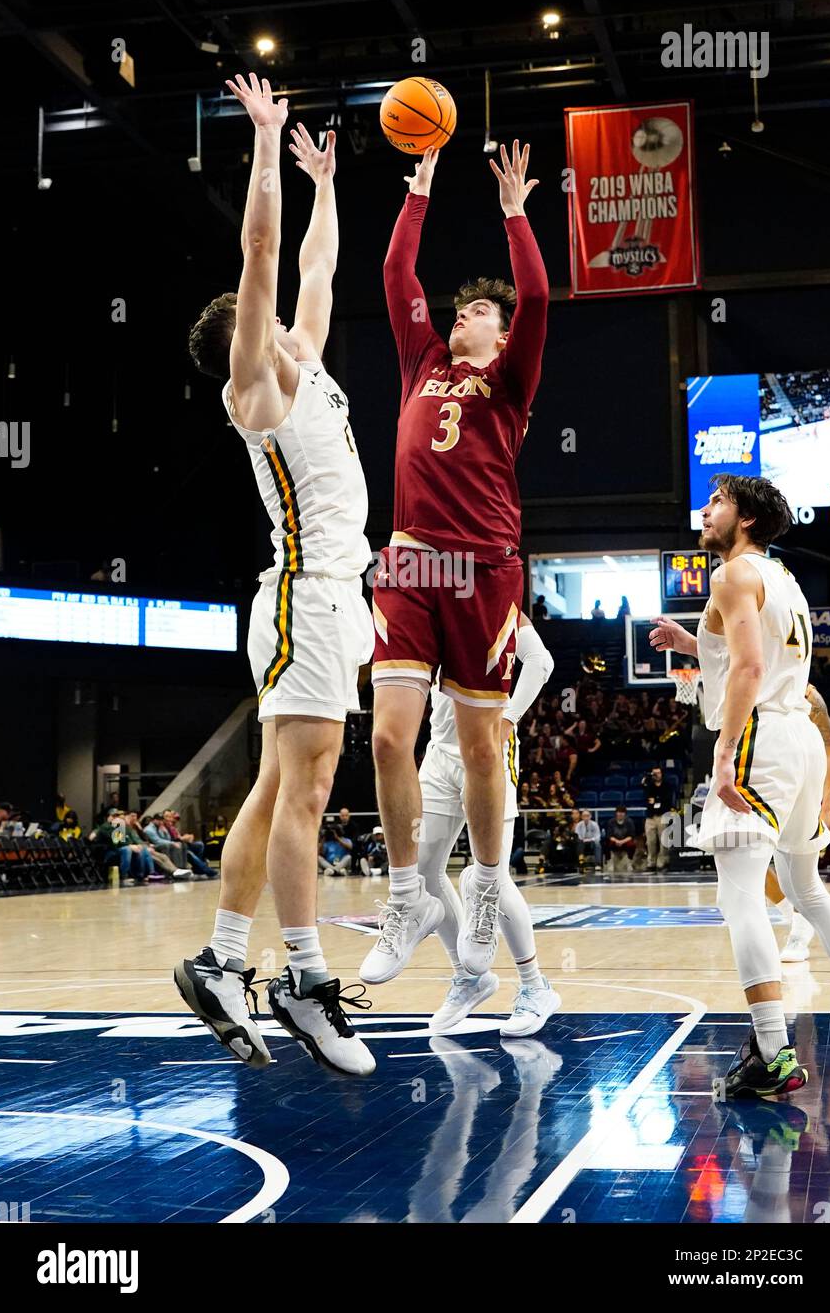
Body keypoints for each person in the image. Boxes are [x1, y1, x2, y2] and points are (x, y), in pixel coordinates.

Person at [176, 75, 375, 1077]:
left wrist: (325, 182)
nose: (294, 319)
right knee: (307, 790)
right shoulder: (256, 387)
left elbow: (314, 264)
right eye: (268, 322)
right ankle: (302, 976)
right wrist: (262, 143)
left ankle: (219, 961)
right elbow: (263, 251)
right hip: (305, 599)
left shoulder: (311, 364)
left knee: (277, 785)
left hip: (333, 600)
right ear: (248, 346)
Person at [360, 137, 548, 988]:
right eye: (461, 308)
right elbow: (396, 273)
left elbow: (535, 294)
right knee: (386, 738)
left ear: (500, 334)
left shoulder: (510, 380)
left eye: (476, 310)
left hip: (484, 570)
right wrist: (420, 192)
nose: (460, 314)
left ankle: (486, 886)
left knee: (480, 750)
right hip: (410, 564)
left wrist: (514, 213)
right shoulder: (423, 363)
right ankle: (408, 899)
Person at [651, 473, 830, 1098]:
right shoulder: (781, 576)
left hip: (760, 739)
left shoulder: (732, 574)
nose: (705, 510)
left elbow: (750, 666)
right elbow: (752, 656)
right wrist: (693, 643)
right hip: (797, 738)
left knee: (740, 899)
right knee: (806, 890)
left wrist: (723, 752)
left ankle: (772, 1052)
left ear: (747, 520)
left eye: (718, 503)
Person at [405, 613, 559, 1034]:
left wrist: (507, 721)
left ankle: (535, 986)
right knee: (422, 872)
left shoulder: (497, 601)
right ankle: (469, 977)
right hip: (439, 753)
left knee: (489, 876)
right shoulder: (428, 604)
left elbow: (540, 662)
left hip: (488, 750)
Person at [764, 683, 830, 962]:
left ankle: (800, 932)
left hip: (803, 792)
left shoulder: (810, 697)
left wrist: (827, 807)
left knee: (801, 881)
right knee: (747, 862)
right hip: (769, 788)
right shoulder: (761, 690)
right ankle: (796, 920)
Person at [641, 765, 675, 871]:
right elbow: (646, 795)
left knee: (663, 840)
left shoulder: (667, 785)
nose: (656, 775)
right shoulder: (650, 785)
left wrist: (656, 800)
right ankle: (651, 863)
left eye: (658, 773)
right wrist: (647, 777)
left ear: (662, 774)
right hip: (650, 816)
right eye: (654, 773)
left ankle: (663, 862)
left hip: (662, 816)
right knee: (650, 841)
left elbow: (667, 799)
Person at [606, 806, 637, 873]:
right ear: (616, 813)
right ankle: (609, 862)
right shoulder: (611, 822)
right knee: (606, 843)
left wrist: (622, 841)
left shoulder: (629, 822)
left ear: (625, 814)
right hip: (615, 841)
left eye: (622, 812)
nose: (620, 814)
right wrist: (617, 841)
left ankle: (629, 862)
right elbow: (609, 836)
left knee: (632, 844)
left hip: (625, 841)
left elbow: (631, 836)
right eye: (619, 812)